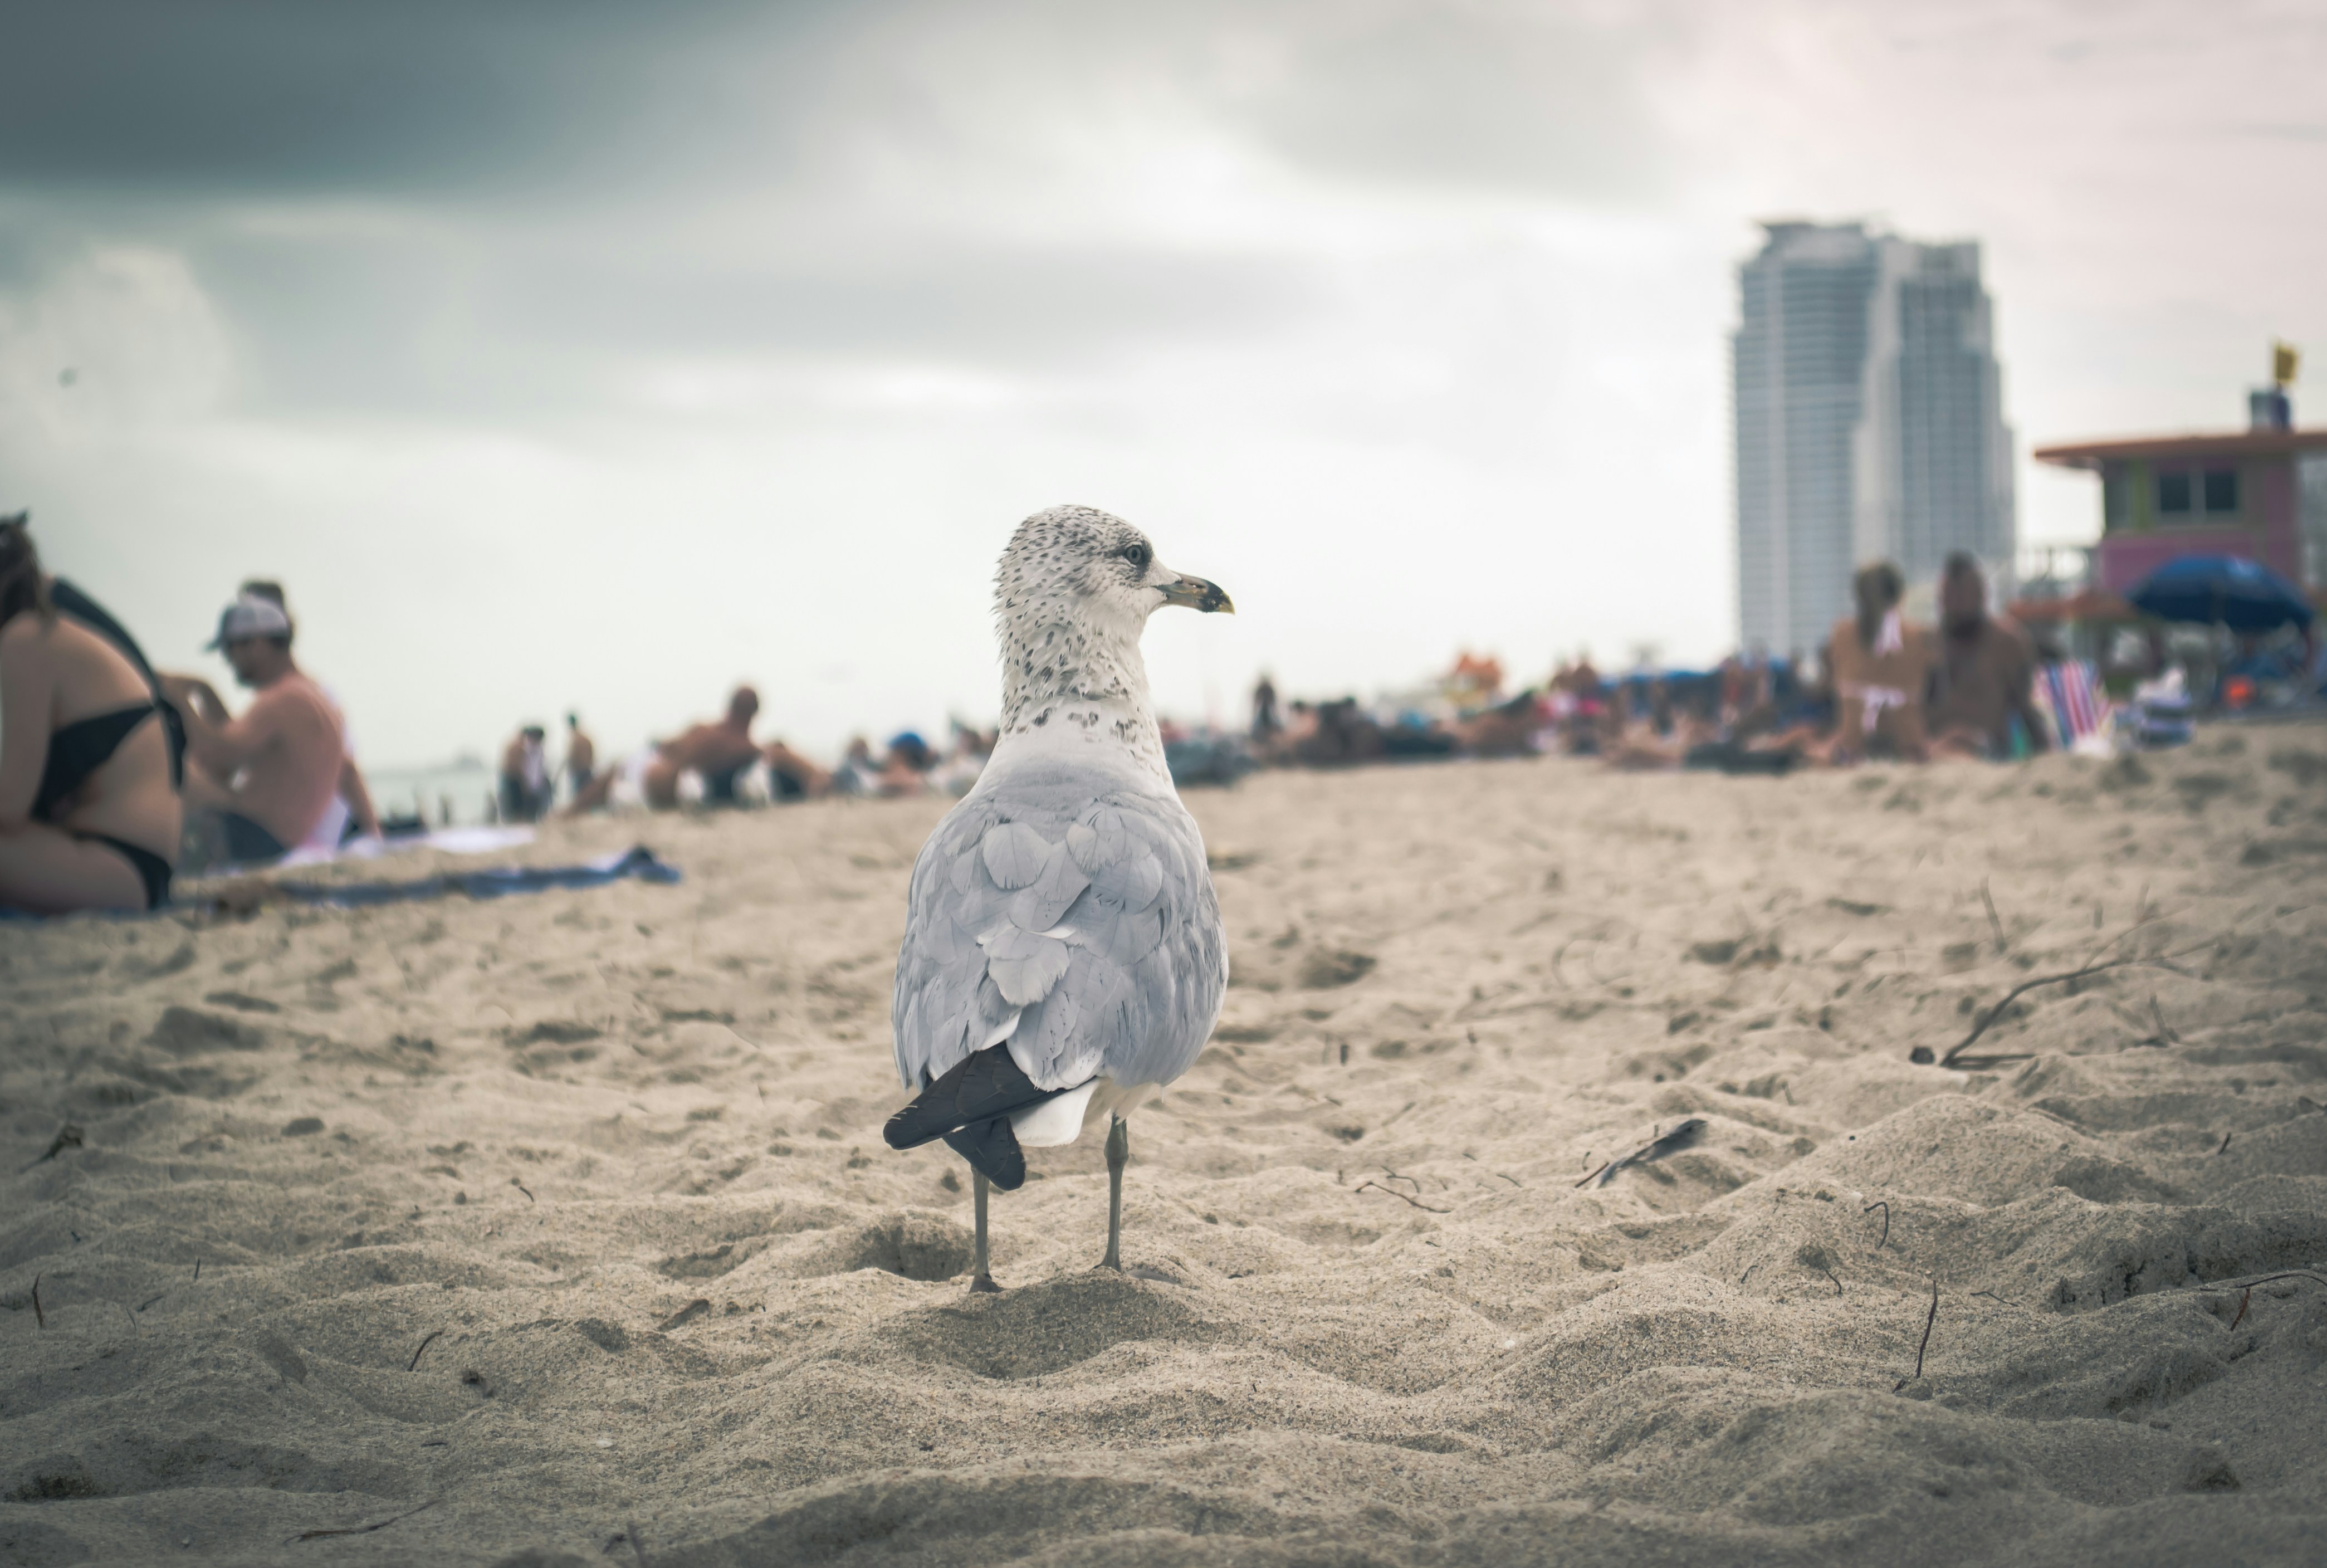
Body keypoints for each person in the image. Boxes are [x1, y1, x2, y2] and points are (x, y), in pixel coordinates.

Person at [0, 515, 183, 912]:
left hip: (114, 865)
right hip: (131, 866)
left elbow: (10, 804)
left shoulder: (23, 641)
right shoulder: (46, 634)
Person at [161, 592, 379, 864]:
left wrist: (177, 699)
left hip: (252, 840)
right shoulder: (314, 697)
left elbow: (216, 754)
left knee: (174, 770)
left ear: (258, 644)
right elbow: (234, 746)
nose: (228, 661)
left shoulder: (282, 700)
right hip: (276, 840)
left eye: (231, 649)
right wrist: (206, 691)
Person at [1927, 554, 2049, 759]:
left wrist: (2045, 756)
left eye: (1963, 597)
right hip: (1935, 752)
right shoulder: (1928, 645)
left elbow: (2028, 709)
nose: (1955, 606)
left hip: (1988, 752)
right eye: (1949, 598)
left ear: (1982, 596)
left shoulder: (2007, 644)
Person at [568, 685, 764, 812]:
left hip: (653, 777)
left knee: (611, 777)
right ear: (754, 714)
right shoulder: (745, 748)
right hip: (657, 780)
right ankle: (572, 811)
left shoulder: (705, 730)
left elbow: (670, 745)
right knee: (610, 781)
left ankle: (571, 811)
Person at [1815, 562, 1934, 764]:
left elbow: (1827, 690)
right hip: (1906, 749)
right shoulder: (1920, 637)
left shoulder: (1842, 635)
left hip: (1858, 750)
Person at [498, 725, 553, 822]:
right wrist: (524, 782)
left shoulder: (518, 746)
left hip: (517, 779)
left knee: (514, 807)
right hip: (515, 779)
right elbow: (518, 766)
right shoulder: (519, 747)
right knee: (516, 807)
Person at [561, 712, 597, 801]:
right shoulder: (585, 738)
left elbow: (571, 757)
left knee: (578, 798)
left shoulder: (575, 739)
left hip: (579, 772)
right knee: (586, 797)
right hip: (587, 771)